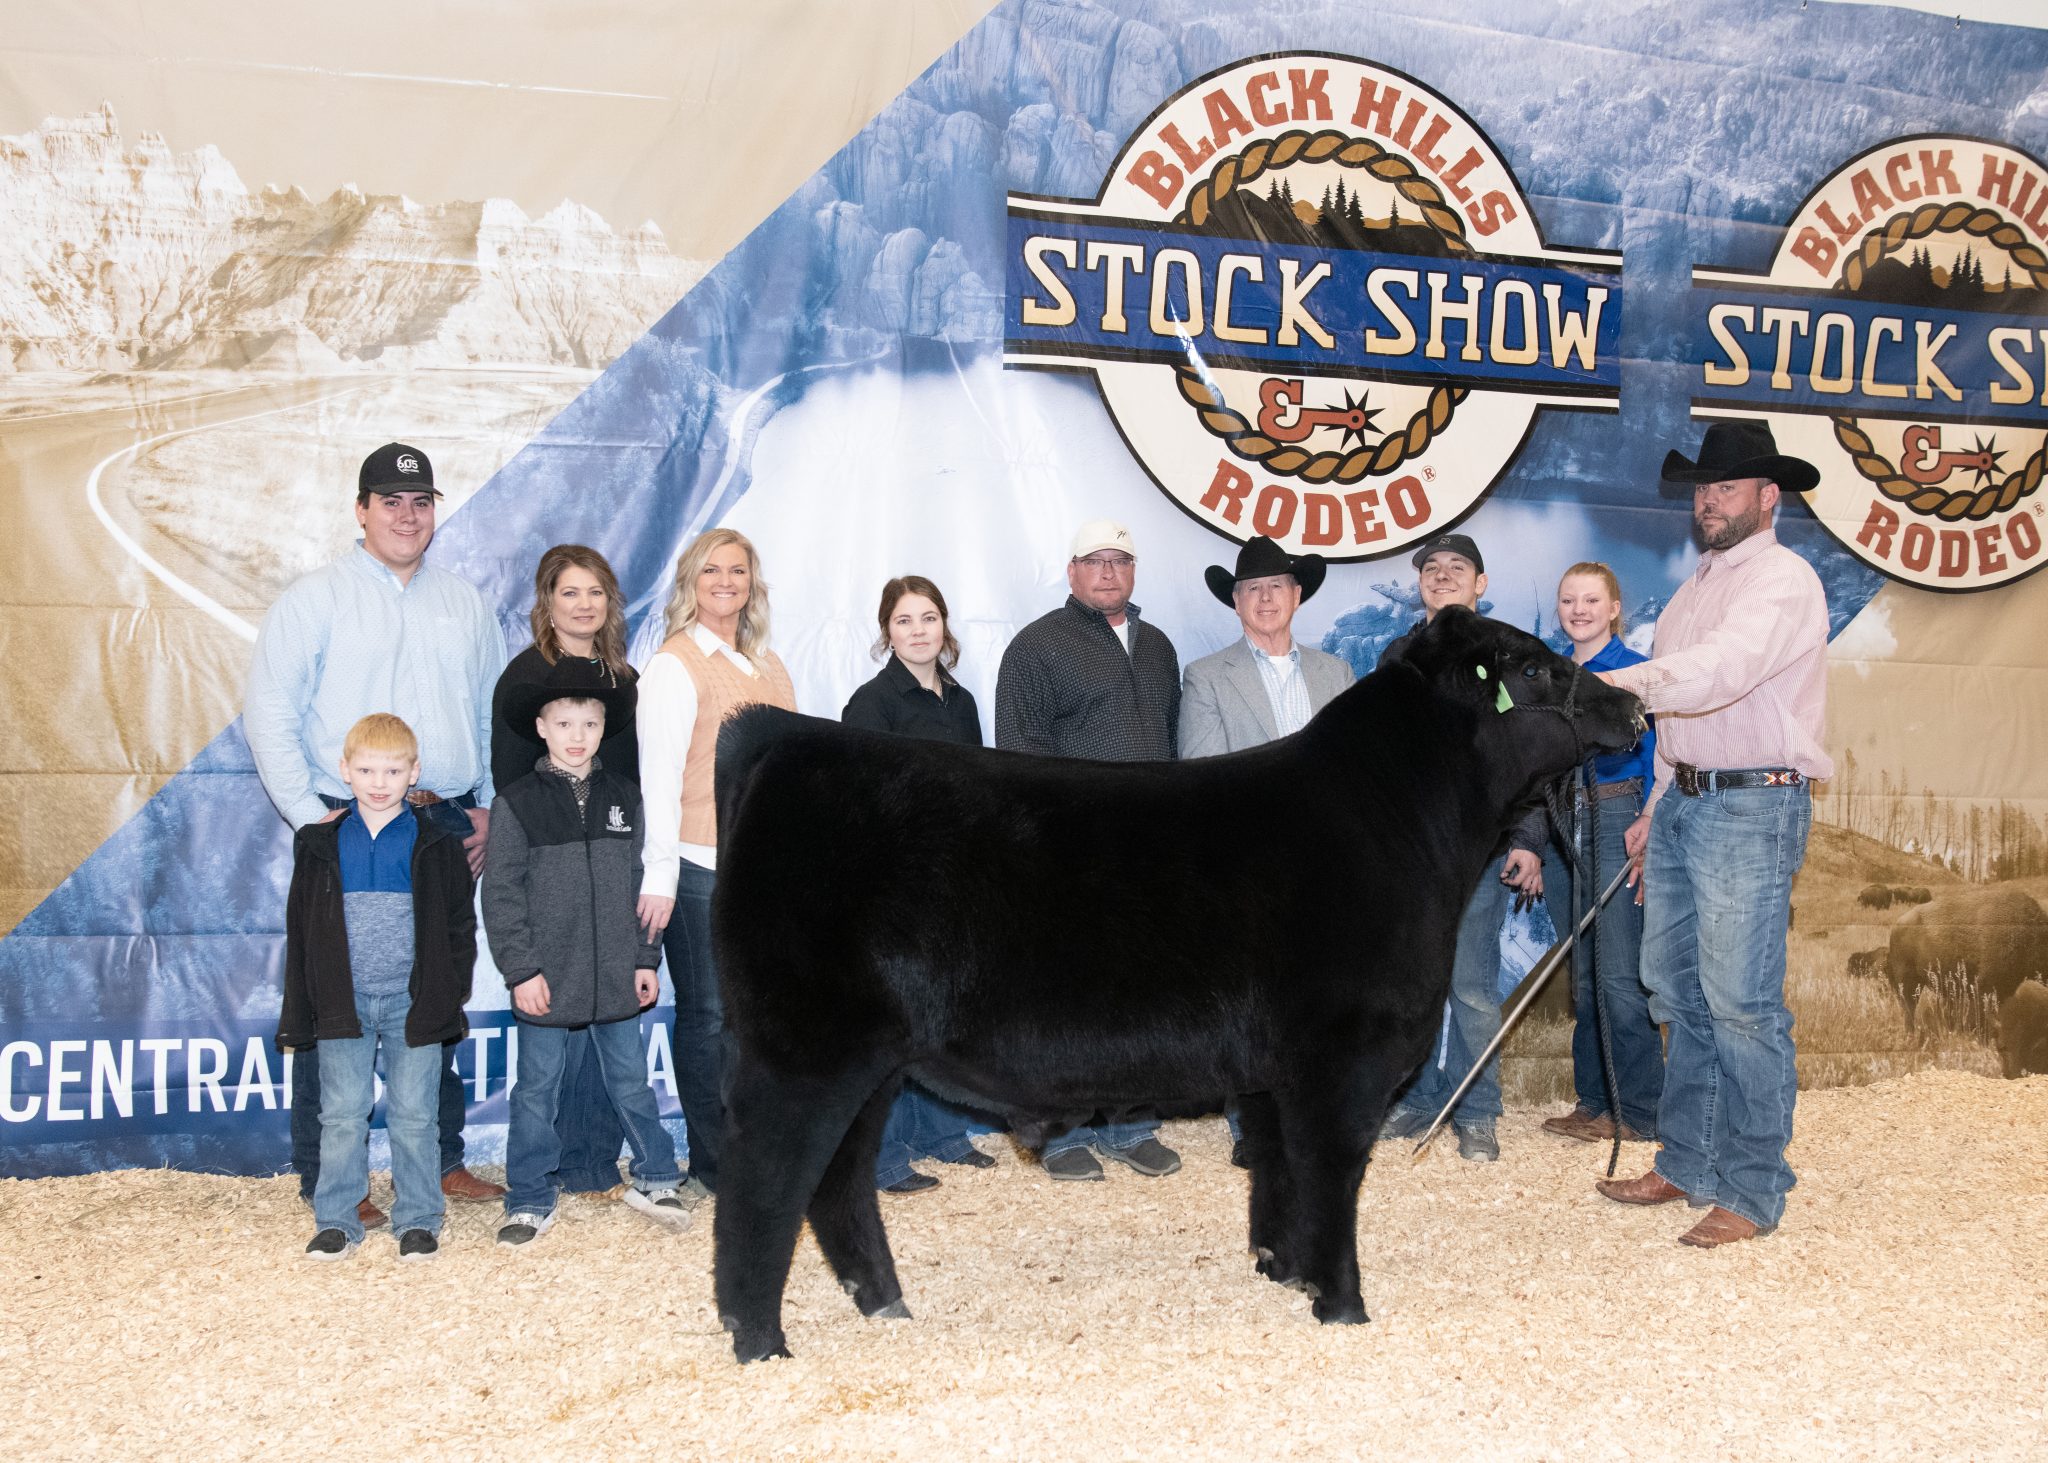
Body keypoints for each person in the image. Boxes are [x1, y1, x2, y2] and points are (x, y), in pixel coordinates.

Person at [245, 442, 507, 1224]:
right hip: (346, 816)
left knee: (436, 983)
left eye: (420, 501)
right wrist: (307, 816)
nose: (406, 514)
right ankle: (331, 1177)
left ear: (434, 513)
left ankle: (444, 1157)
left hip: (443, 819)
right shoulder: (314, 598)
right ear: (361, 509)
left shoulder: (463, 602)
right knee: (336, 993)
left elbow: (493, 711)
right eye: (390, 500)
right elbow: (271, 712)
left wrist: (489, 802)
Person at [1591, 421, 1830, 1248]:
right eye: (1702, 488)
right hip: (1691, 797)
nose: (1708, 501)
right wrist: (1657, 806)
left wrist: (1604, 682)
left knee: (1741, 1001)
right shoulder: (1694, 589)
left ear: (1770, 495)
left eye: (1725, 487)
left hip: (1753, 804)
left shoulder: (1784, 581)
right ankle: (1689, 1157)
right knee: (1675, 985)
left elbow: (1723, 671)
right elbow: (1677, 713)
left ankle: (1755, 1185)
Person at [993, 519, 1182, 1181]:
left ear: (1134, 571)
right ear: (1071, 571)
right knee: (1070, 1000)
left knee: (1141, 996)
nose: (1108, 572)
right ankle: (1065, 1133)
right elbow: (1020, 755)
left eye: (1120, 560)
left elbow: (1172, 744)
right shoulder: (1036, 646)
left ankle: (1132, 1124)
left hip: (1150, 854)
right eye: (1094, 561)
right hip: (1072, 855)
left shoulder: (1158, 647)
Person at [484, 677, 694, 1244]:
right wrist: (520, 971)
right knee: (536, 1091)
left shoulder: (627, 797)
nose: (577, 737)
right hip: (546, 979)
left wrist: (645, 958)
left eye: (590, 724)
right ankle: (529, 1195)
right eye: (564, 724)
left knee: (631, 1082)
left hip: (618, 975)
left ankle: (654, 1173)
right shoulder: (516, 803)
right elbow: (500, 894)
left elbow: (640, 882)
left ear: (605, 729)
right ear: (541, 728)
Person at [1178, 535, 1354, 1165]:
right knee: (1248, 997)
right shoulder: (1205, 678)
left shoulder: (1336, 674)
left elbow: (1353, 774)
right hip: (1247, 862)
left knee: (1321, 992)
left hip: (1321, 864)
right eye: (1251, 588)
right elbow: (1202, 776)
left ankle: (1313, 1112)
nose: (1265, 597)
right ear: (1236, 603)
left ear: (1297, 595)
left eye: (1277, 585)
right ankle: (1253, 1126)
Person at [1377, 532, 1551, 1161]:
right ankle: (1423, 1097)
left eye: (1457, 567)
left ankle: (1477, 1110)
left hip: (1480, 847)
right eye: (1431, 567)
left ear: (1481, 584)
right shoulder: (1398, 656)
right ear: (1418, 583)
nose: (1442, 574)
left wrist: (1529, 837)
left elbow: (1531, 753)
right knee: (1416, 985)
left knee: (1472, 986)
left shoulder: (1509, 659)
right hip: (1417, 855)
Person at [279, 714, 476, 1262]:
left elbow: (460, 926)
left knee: (416, 1114)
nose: (379, 781)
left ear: (414, 773)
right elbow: (301, 929)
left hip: (415, 1004)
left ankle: (418, 1218)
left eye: (393, 769)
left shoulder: (437, 843)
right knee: (342, 1113)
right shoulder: (318, 843)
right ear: (344, 771)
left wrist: (447, 990)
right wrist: (307, 999)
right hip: (343, 1004)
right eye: (366, 768)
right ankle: (337, 1219)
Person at [635, 528, 797, 1194]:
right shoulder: (674, 664)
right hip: (701, 868)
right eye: (711, 570)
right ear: (690, 584)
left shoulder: (771, 665)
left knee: (754, 1019)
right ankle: (713, 1161)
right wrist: (659, 877)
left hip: (763, 867)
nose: (725, 581)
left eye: (738, 570)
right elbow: (660, 778)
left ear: (752, 584)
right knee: (707, 1018)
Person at [841, 576, 1000, 1193]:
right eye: (904, 621)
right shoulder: (871, 704)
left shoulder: (959, 702)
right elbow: (860, 802)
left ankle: (940, 1134)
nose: (918, 631)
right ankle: (880, 1156)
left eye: (928, 618)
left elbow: (981, 787)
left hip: (954, 882)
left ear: (945, 626)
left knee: (941, 1014)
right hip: (897, 884)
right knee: (891, 1022)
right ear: (887, 631)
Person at [489, 545, 639, 1197]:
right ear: (547, 601)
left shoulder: (623, 680)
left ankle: (593, 1159)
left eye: (596, 592)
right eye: (570, 591)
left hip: (607, 851)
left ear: (611, 603)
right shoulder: (524, 679)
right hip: (547, 862)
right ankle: (543, 1168)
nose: (584, 604)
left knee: (606, 1027)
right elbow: (508, 777)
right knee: (554, 1039)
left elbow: (628, 774)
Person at [1537, 563, 1663, 1145]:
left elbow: (1661, 750)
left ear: (1614, 608)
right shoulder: (1553, 675)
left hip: (1618, 812)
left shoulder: (1637, 673)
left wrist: (1647, 819)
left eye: (1591, 600)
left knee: (1617, 974)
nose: (1579, 609)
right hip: (1565, 815)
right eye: (1569, 600)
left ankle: (1638, 1109)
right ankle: (1594, 1101)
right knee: (1584, 976)